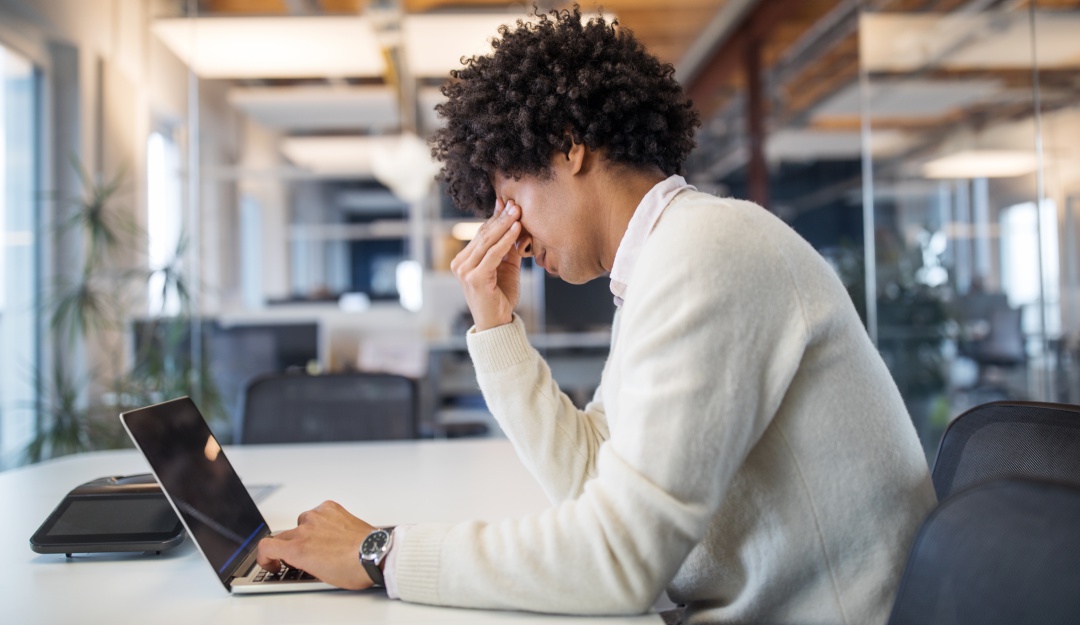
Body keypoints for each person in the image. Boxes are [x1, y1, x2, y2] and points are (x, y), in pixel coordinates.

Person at [257, 7, 936, 623]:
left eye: (507, 193)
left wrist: (382, 553)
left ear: (566, 145)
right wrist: (498, 331)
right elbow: (592, 480)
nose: (509, 232)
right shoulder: (665, 261)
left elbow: (617, 564)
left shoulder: (709, 251)